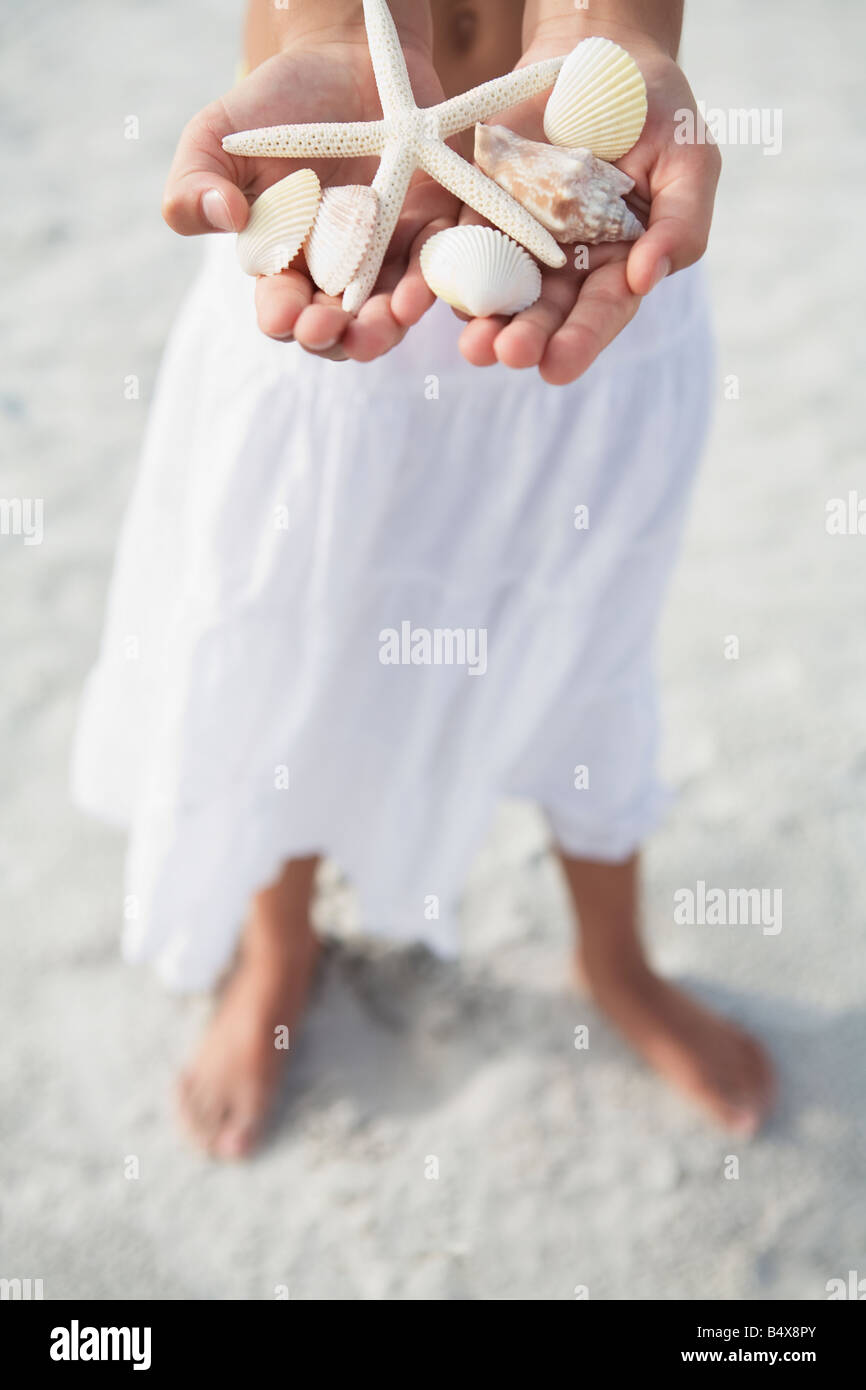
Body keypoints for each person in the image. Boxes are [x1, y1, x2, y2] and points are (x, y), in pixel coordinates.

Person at [73, 0, 775, 1159]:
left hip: (569, 235)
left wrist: (616, 35)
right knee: (289, 626)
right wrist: (326, 45)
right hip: (345, 245)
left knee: (586, 638)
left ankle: (614, 961)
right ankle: (277, 942)